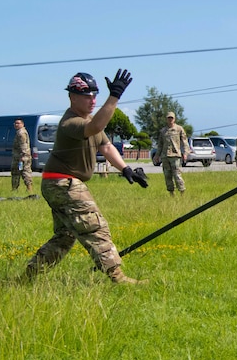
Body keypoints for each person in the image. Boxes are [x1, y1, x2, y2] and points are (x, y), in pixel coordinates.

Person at [26, 70, 150, 284]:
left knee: (65, 236)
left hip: (58, 182)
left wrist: (126, 169)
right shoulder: (71, 122)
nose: (92, 100)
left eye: (95, 95)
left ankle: (29, 276)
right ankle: (117, 277)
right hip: (63, 182)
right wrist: (115, 96)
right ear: (72, 97)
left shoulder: (86, 119)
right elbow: (96, 127)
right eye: (87, 95)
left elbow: (106, 145)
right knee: (95, 227)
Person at [157, 111, 189, 196]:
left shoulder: (179, 129)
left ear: (174, 119)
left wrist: (185, 153)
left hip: (175, 156)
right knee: (167, 176)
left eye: (171, 118)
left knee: (177, 175)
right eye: (168, 118)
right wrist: (157, 155)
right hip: (165, 156)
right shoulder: (163, 131)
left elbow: (185, 142)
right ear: (166, 119)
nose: (170, 119)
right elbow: (160, 144)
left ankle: (182, 192)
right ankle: (171, 193)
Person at [11, 118, 33, 194]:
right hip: (20, 156)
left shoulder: (21, 133)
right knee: (19, 172)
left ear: (22, 124)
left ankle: (28, 189)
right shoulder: (20, 132)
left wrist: (22, 157)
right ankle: (15, 189)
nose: (16, 125)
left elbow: (23, 145)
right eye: (15, 123)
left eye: (18, 123)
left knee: (24, 173)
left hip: (21, 157)